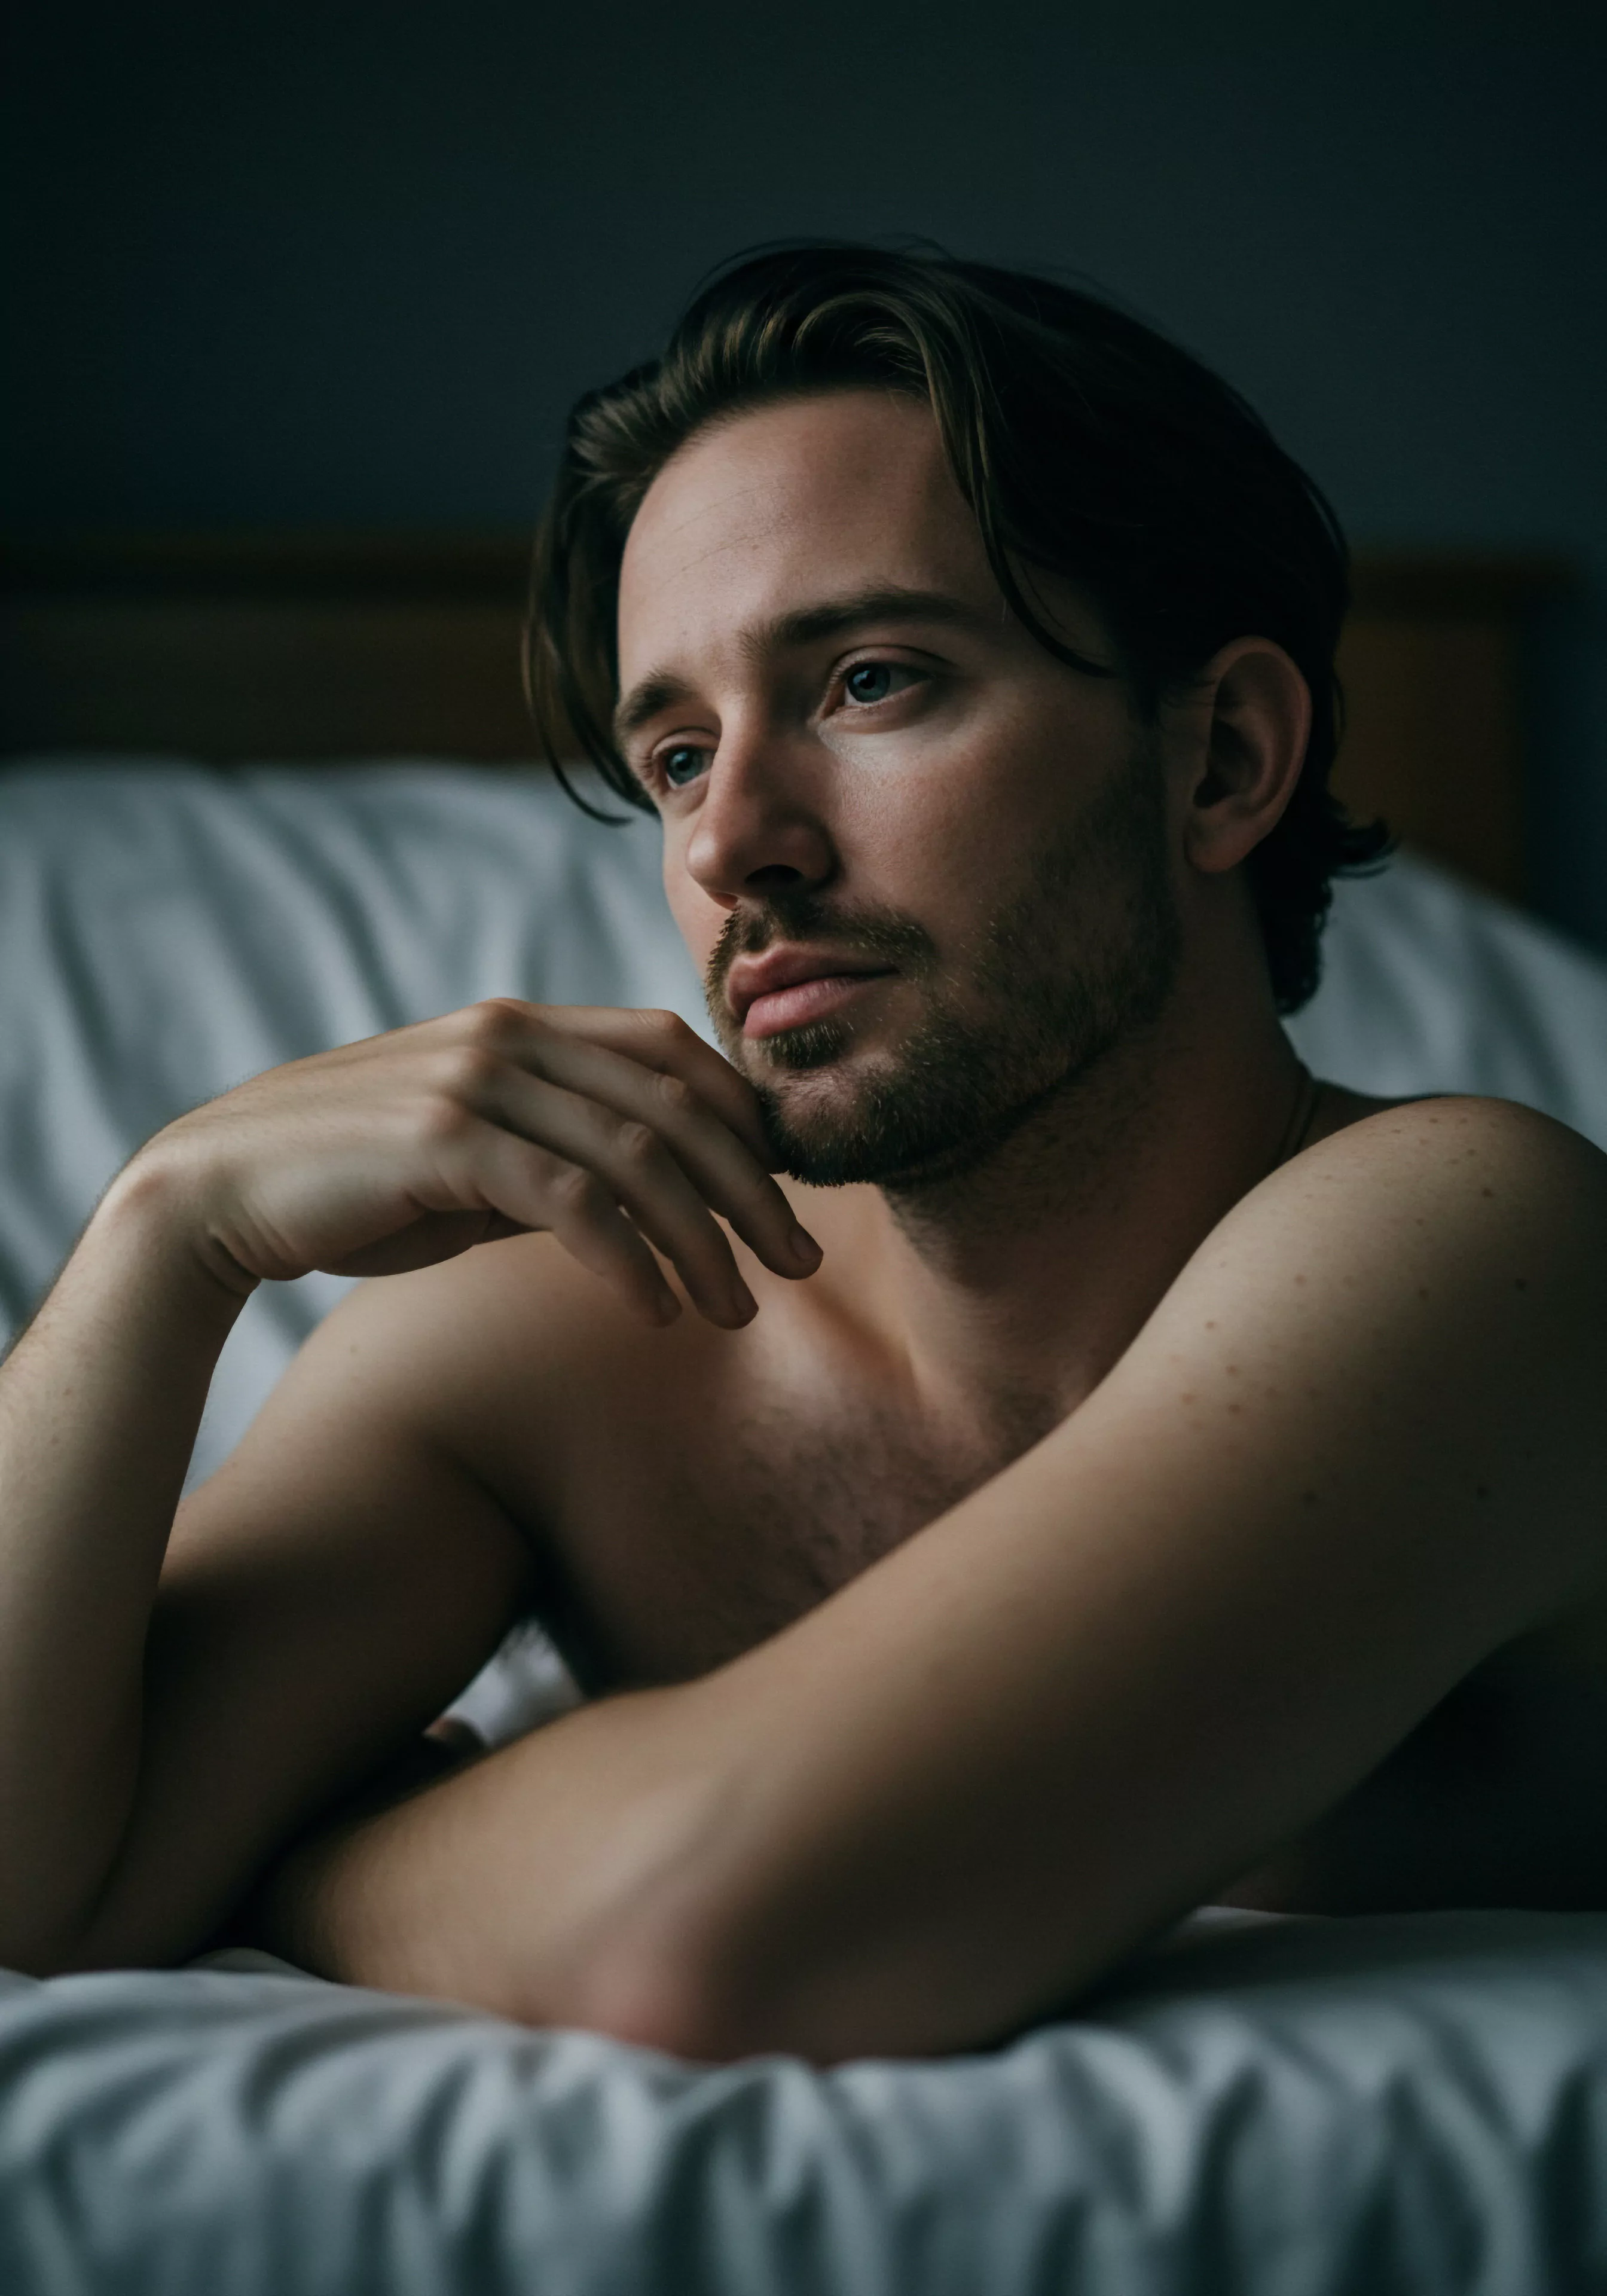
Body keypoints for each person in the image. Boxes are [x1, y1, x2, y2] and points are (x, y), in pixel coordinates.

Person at [3, 246, 1605, 2067]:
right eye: (677, 754)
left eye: (869, 679)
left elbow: (716, 1934)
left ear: (1223, 759)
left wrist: (296, 1862)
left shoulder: (1489, 1241)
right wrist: (163, 1237)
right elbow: (38, 1872)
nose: (734, 845)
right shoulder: (589, 1332)